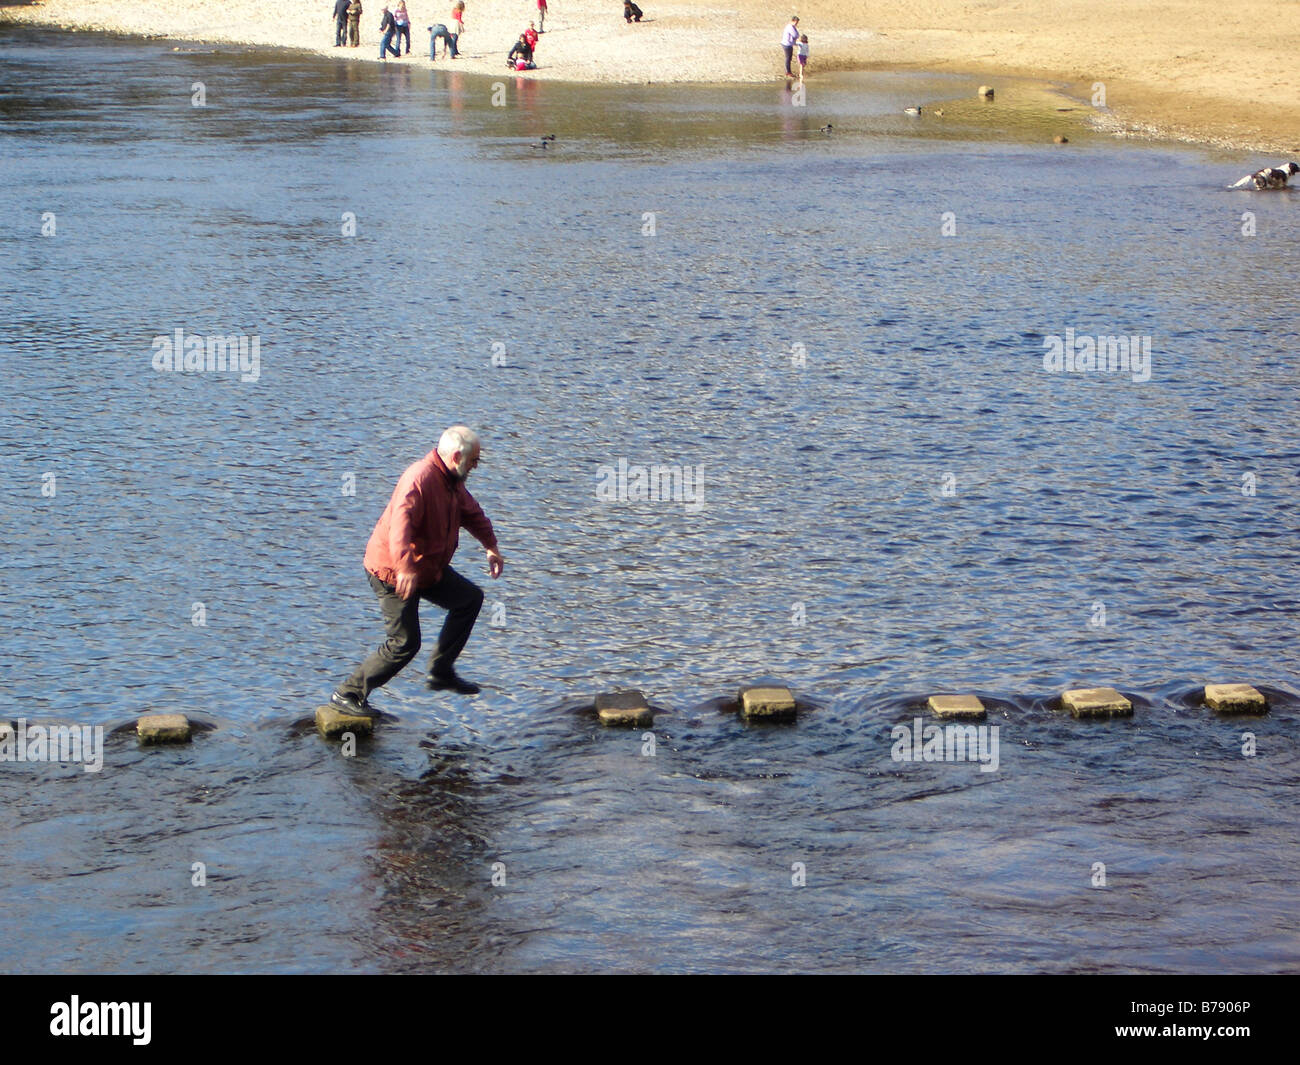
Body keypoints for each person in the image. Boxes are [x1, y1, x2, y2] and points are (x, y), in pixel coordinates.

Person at [332, 426, 506, 715]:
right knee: (404, 643)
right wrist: (404, 568)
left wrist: (491, 545)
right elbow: (400, 527)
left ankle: (441, 672)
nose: (476, 466)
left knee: (469, 599)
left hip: (426, 568)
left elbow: (472, 513)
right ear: (456, 456)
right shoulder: (420, 478)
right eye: (474, 460)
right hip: (392, 572)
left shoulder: (452, 482)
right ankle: (348, 694)